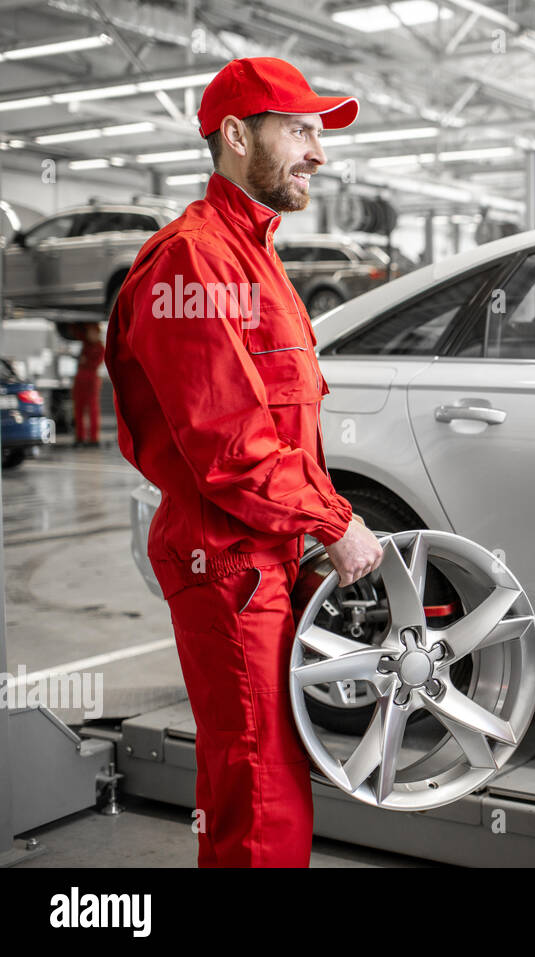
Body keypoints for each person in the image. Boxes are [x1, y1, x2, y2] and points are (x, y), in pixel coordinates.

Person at [104, 57, 384, 867]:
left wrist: (317, 524)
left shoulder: (256, 255)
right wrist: (334, 521)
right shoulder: (194, 261)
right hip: (225, 561)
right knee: (257, 792)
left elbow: (289, 427)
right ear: (234, 136)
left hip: (263, 557)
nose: (318, 153)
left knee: (268, 778)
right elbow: (228, 441)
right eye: (299, 130)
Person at [69, 321, 104, 447]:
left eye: (94, 332)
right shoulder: (86, 343)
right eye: (89, 332)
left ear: (98, 334)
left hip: (91, 380)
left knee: (92, 409)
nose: (91, 334)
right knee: (78, 409)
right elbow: (76, 330)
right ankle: (80, 437)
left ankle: (94, 438)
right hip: (80, 379)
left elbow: (95, 364)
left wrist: (85, 361)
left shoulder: (100, 348)